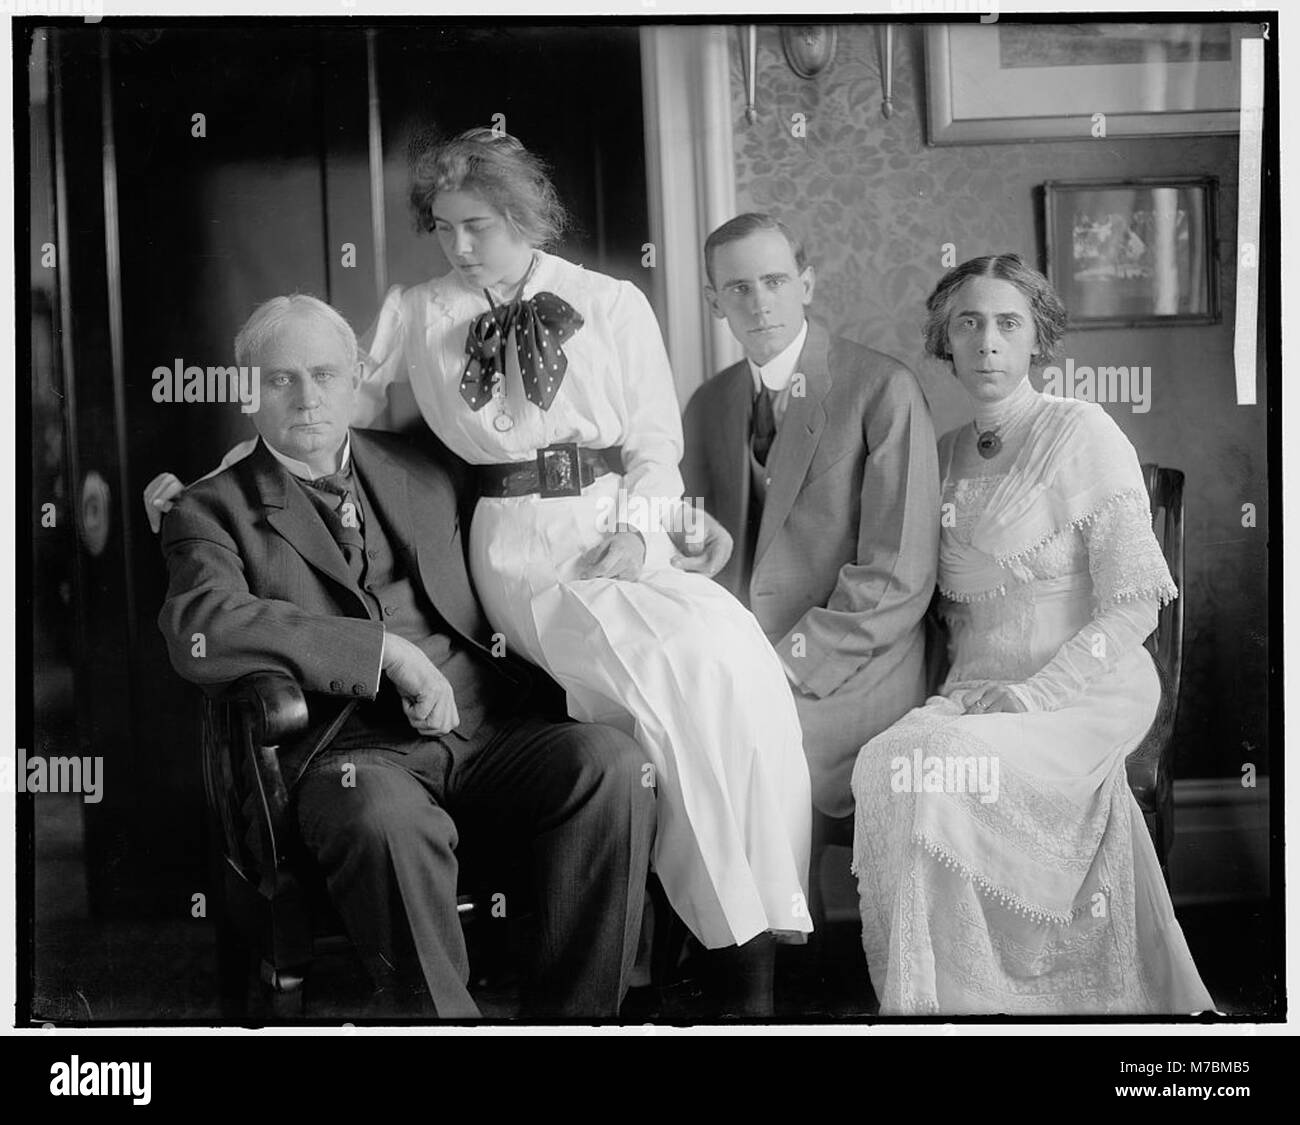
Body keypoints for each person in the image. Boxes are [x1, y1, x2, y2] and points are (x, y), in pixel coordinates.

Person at [146, 129, 812, 1016]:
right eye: (445, 227)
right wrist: (207, 492)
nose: (459, 247)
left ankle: (701, 962)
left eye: (479, 226)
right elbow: (320, 406)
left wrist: (656, 535)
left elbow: (653, 448)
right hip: (449, 634)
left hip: (598, 558)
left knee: (715, 681)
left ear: (526, 216)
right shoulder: (410, 321)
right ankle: (697, 965)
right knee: (660, 690)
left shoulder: (600, 310)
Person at [157, 295, 655, 1019]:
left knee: (608, 764)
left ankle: (574, 1024)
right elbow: (201, 623)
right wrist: (381, 651)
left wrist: (657, 532)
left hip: (485, 731)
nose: (306, 397)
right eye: (280, 379)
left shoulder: (423, 465)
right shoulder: (208, 508)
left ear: (358, 375)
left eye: (325, 374)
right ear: (246, 389)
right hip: (349, 753)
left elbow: (544, 502)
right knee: (384, 817)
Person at [849, 253, 1213, 1014]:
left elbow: (1137, 603)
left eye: (1007, 323)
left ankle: (1014, 996)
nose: (986, 341)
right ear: (945, 341)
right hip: (975, 688)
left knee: (943, 764)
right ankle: (932, 999)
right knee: (889, 761)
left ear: (1036, 338)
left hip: (1086, 686)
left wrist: (1037, 694)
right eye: (968, 323)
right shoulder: (941, 454)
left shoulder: (1081, 429)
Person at [681, 212, 939, 821]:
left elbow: (896, 577)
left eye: (775, 281)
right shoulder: (708, 404)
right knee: (665, 751)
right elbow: (690, 551)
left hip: (854, 668)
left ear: (807, 285)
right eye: (739, 288)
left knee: (744, 765)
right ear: (715, 302)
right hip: (741, 662)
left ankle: (783, 919)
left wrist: (780, 664)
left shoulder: (883, 389)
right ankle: (755, 919)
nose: (759, 303)